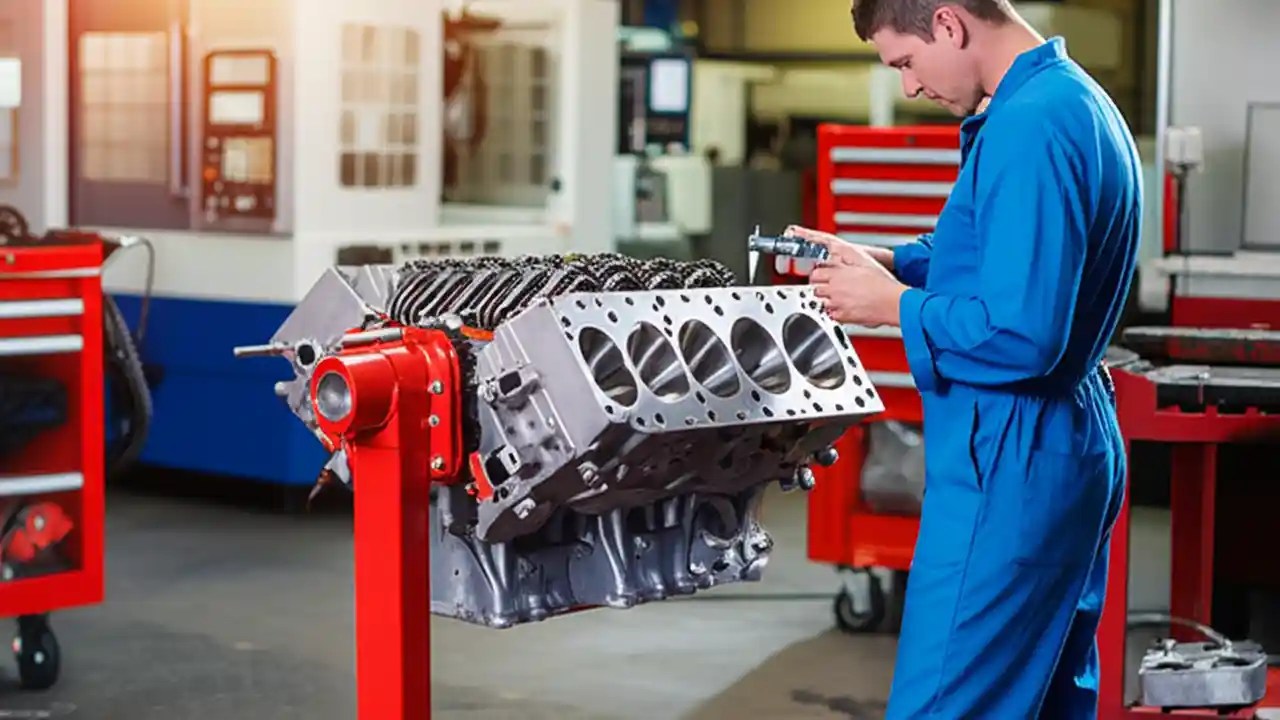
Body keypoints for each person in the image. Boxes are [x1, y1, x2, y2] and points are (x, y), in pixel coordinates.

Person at [790, 1, 1142, 718]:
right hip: (1064, 442)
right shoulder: (1072, 99)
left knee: (947, 701)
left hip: (1012, 457)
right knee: (1044, 694)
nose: (910, 88)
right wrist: (889, 264)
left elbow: (1023, 332)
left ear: (948, 23)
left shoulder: (1030, 125)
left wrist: (891, 306)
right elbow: (1006, 256)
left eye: (906, 63)